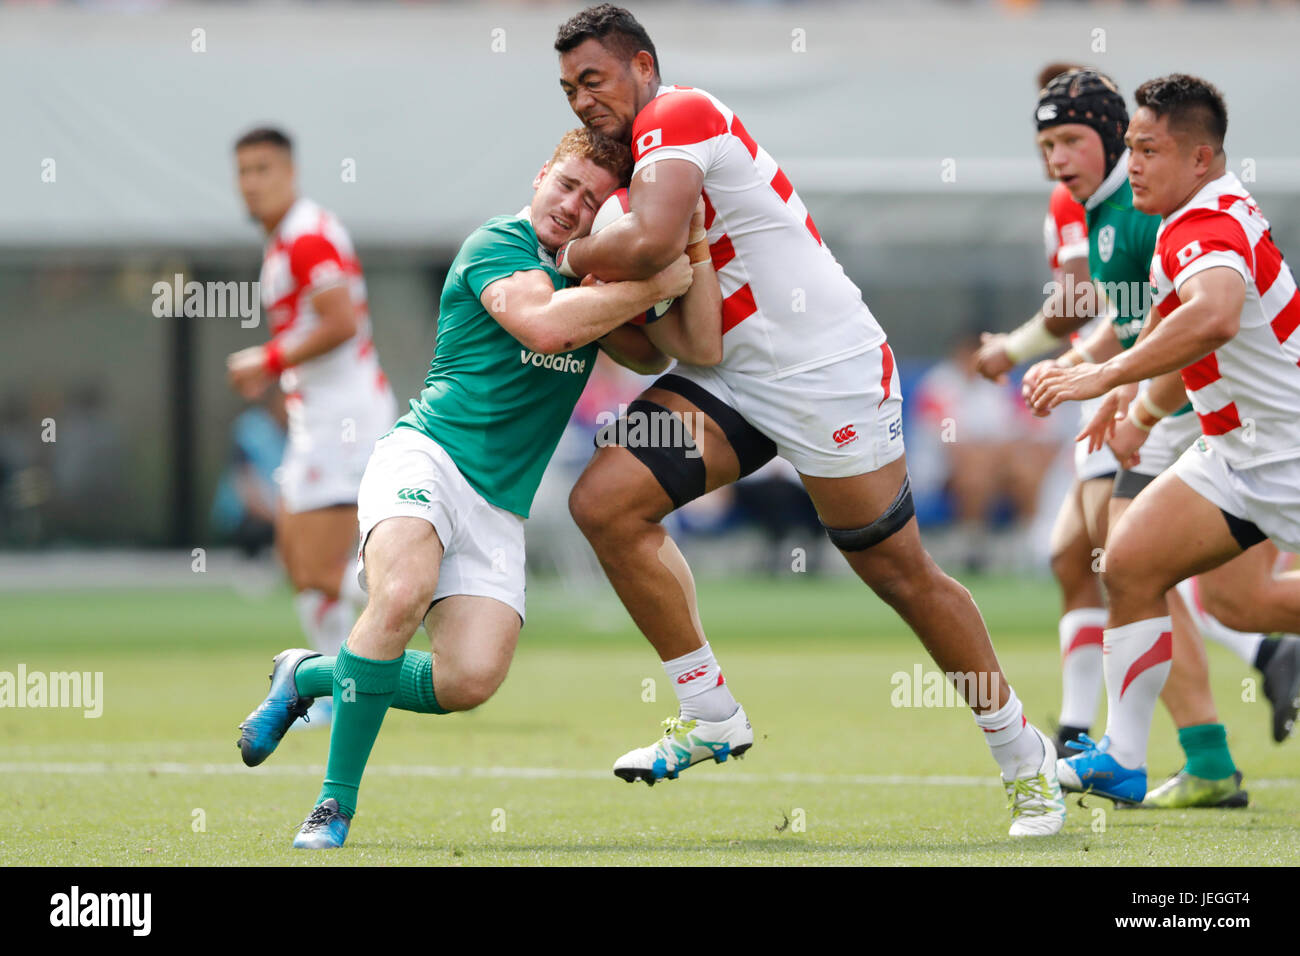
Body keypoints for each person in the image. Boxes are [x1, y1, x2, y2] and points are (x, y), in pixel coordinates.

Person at [553, 4, 1065, 836]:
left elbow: (647, 248)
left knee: (898, 574)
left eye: (593, 78)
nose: (581, 99)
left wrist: (563, 258)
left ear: (643, 66)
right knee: (605, 500)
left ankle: (1021, 753)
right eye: (570, 87)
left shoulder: (680, 114)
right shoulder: (631, 169)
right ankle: (710, 708)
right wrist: (594, 289)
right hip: (731, 379)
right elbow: (652, 354)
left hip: (827, 373)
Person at [237, 127, 722, 849]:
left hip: (498, 508)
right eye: (565, 185)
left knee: (468, 681)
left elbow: (688, 349)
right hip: (424, 459)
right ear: (540, 176)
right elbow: (542, 326)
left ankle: (308, 672)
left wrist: (694, 244)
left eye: (592, 201)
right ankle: (334, 805)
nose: (571, 206)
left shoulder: (592, 288)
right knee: (398, 595)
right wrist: (652, 284)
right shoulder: (497, 245)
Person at [1030, 74, 1300, 803]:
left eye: (1150, 149)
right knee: (1132, 564)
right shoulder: (1183, 219)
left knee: (1227, 598)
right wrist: (1138, 412)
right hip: (1237, 455)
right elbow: (1179, 333)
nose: (1135, 164)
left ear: (1202, 158)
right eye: (1131, 148)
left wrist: (1102, 374)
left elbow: (1211, 316)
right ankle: (1122, 755)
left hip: (1291, 456)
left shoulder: (1207, 225)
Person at [227, 127, 398, 725]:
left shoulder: (306, 235)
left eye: (264, 169)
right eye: (243, 171)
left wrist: (266, 360)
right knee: (298, 561)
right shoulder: (282, 245)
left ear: (291, 173)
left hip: (346, 424)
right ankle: (334, 676)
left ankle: (410, 612)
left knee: (323, 568)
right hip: (316, 424)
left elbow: (342, 321)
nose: (252, 183)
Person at [974, 63, 1117, 755]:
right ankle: (1076, 735)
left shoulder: (1102, 200)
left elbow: (1081, 302)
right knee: (1077, 556)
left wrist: (1019, 350)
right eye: (1046, 141)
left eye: (1069, 134)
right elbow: (1119, 312)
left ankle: (1146, 747)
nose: (1056, 157)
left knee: (1132, 565)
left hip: (1146, 395)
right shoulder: (1096, 195)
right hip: (1129, 385)